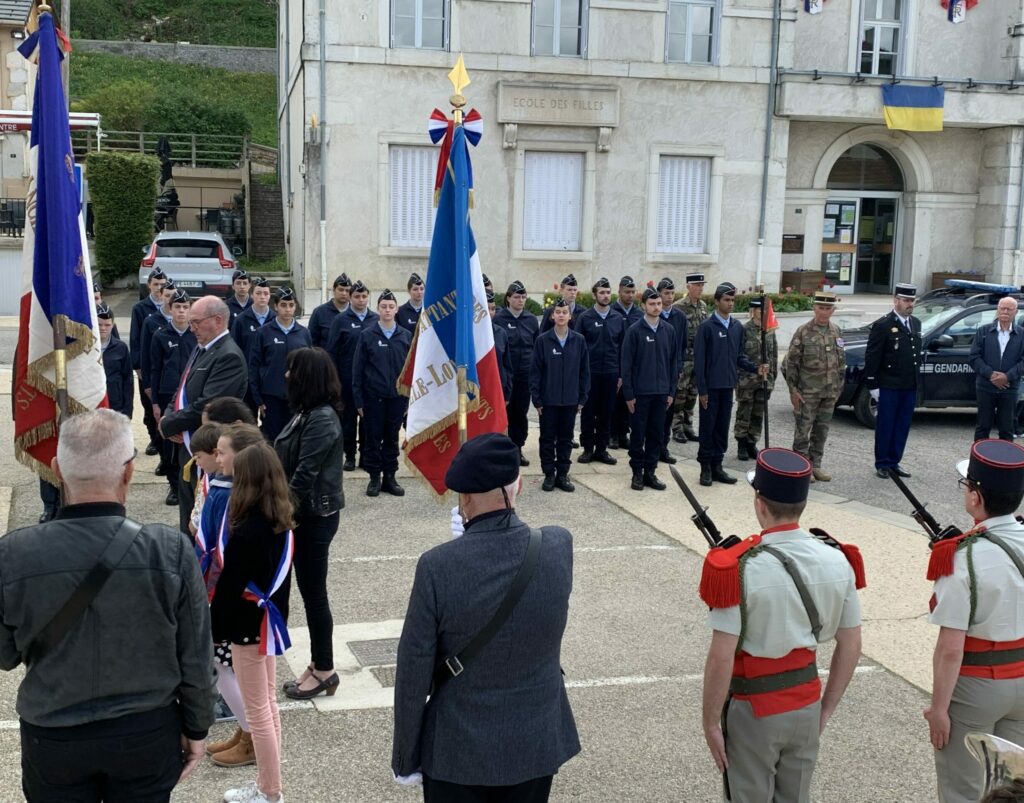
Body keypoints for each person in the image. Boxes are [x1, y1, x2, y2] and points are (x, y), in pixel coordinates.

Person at [0, 409, 216, 801]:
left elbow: (4, 654)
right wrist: (198, 727)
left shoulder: (12, 554)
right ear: (129, 471)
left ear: (56, 470)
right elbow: (196, 657)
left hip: (54, 733)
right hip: (145, 730)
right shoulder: (169, 550)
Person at [392, 433, 581, 801]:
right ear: (519, 487)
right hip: (535, 741)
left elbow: (413, 671)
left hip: (460, 750)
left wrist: (405, 757)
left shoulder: (437, 566)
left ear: (462, 498)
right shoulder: (559, 545)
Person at [700, 448, 864, 803]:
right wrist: (826, 708)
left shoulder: (741, 568)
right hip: (806, 699)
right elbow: (851, 644)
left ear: (760, 504)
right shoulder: (838, 558)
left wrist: (711, 721)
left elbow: (721, 656)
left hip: (754, 705)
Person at [925, 439, 1024, 803]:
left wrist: (938, 709)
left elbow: (950, 650)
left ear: (975, 497)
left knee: (963, 790)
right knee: (1013, 789)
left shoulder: (962, 557)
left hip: (977, 685)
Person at [211, 441, 294, 803]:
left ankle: (269, 790)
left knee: (257, 709)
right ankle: (268, 783)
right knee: (268, 704)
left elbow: (229, 588)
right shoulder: (282, 520)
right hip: (270, 622)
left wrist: (214, 632)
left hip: (248, 626)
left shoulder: (246, 530)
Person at [275, 347, 345, 700]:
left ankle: (325, 669)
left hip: (313, 517)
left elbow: (304, 475)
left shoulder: (321, 418)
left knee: (314, 595)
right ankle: (320, 664)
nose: (287, 376)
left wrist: (275, 512)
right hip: (301, 515)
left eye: (293, 370)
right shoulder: (306, 414)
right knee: (308, 593)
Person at [159, 295, 249, 533]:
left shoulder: (228, 355)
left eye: (197, 322)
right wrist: (168, 418)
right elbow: (181, 391)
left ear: (217, 320)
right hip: (189, 446)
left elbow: (206, 406)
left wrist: (168, 425)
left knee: (200, 521)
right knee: (187, 514)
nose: (192, 328)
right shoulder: (202, 349)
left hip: (210, 451)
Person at [693, 282, 765, 487]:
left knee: (722, 428)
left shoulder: (736, 328)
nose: (730, 303)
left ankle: (717, 465)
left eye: (732, 300)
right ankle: (705, 467)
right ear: (717, 302)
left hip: (727, 387)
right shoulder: (706, 328)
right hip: (711, 388)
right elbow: (700, 361)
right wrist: (703, 390)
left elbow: (739, 357)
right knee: (708, 427)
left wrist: (756, 368)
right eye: (726, 300)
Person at [352, 289, 411, 497]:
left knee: (392, 438)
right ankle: (374, 477)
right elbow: (357, 370)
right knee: (373, 439)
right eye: (384, 306)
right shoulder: (367, 335)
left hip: (397, 398)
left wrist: (407, 399)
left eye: (391, 306)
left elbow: (410, 370)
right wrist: (358, 399)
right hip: (373, 397)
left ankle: (390, 477)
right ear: (378, 309)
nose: (387, 310)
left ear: (396, 310)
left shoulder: (405, 335)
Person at [530, 297, 590, 493]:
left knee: (565, 439)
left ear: (570, 316)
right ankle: (549, 474)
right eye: (558, 312)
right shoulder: (543, 340)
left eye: (565, 312)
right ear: (552, 316)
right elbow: (536, 372)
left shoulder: (579, 340)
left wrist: (582, 397)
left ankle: (562, 474)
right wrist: (537, 398)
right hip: (548, 401)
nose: (561, 315)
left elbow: (584, 371)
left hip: (570, 400)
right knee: (547, 438)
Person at [620, 287, 678, 492]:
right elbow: (626, 365)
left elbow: (673, 364)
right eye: (652, 304)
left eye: (659, 304)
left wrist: (671, 392)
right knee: (638, 435)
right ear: (643, 305)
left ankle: (650, 472)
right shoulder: (634, 331)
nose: (656, 307)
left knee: (656, 434)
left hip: (661, 393)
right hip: (640, 395)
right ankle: (637, 472)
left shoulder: (668, 331)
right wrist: (629, 394)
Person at [784, 291, 845, 482]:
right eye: (821, 308)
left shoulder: (836, 331)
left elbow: (841, 362)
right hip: (807, 393)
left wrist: (838, 388)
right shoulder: (803, 332)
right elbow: (790, 364)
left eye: (828, 308)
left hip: (829, 392)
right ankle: (801, 467)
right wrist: (793, 391)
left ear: (833, 311)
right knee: (803, 432)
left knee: (822, 431)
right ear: (814, 308)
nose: (824, 312)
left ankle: (815, 465)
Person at [864, 283, 922, 479]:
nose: (909, 304)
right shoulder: (883, 325)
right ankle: (882, 462)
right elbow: (872, 357)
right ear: (896, 301)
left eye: (911, 301)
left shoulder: (915, 323)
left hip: (908, 385)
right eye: (905, 300)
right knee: (886, 425)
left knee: (902, 425)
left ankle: (894, 461)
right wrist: (873, 385)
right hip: (889, 385)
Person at [148, 288, 197, 506]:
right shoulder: (160, 335)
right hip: (168, 395)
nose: (181, 311)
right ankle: (174, 485)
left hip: (189, 395)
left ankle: (192, 482)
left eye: (185, 307)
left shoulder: (196, 336)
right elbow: (154, 369)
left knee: (189, 439)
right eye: (177, 307)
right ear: (170, 308)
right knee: (169, 443)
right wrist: (156, 403)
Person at [326, 280, 379, 472]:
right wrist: (334, 379)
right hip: (346, 380)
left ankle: (366, 455)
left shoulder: (375, 319)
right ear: (350, 297)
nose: (361, 300)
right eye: (356, 296)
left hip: (369, 381)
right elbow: (331, 351)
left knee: (368, 420)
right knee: (347, 420)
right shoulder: (341, 320)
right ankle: (349, 455)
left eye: (364, 296)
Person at [249, 286, 312, 441]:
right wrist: (258, 399)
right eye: (283, 305)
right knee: (273, 437)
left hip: (296, 396)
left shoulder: (304, 333)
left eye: (291, 305)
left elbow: (310, 365)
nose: (287, 309)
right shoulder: (263, 333)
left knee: (294, 437)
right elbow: (254, 366)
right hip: (271, 395)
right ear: (275, 306)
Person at [574, 277, 624, 466]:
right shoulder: (585, 318)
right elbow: (577, 348)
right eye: (601, 292)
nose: (605, 295)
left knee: (607, 412)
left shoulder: (617, 318)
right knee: (588, 411)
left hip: (611, 373)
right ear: (595, 295)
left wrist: (621, 375)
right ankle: (587, 448)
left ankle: (602, 449)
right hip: (590, 373)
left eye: (607, 292)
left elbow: (622, 348)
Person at [493, 280, 539, 467]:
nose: (520, 300)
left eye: (523, 297)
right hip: (504, 375)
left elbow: (536, 346)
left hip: (524, 375)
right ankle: (500, 450)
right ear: (508, 299)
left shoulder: (530, 319)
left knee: (520, 413)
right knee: (503, 412)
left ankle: (517, 448)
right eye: (517, 297)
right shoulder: (499, 319)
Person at [970, 297, 1024, 442]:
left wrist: (1007, 377)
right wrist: (991, 375)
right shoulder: (983, 331)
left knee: (1007, 429)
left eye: (1009, 309)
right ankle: (980, 464)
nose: (1005, 312)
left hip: (1009, 387)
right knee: (983, 427)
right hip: (985, 386)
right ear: (998, 309)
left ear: (1016, 312)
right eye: (1002, 308)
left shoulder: (1022, 334)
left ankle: (1006, 463)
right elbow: (974, 357)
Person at [140, 278, 179, 474]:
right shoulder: (152, 322)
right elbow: (148, 359)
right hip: (164, 388)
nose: (171, 300)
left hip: (182, 390)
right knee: (161, 425)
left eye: (174, 296)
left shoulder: (191, 328)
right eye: (168, 296)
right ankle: (165, 461)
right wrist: (147, 384)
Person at [733, 297, 778, 462]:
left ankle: (752, 442)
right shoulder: (744, 330)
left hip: (764, 380)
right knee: (744, 412)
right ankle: (742, 443)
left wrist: (772, 378)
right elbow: (739, 355)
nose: (762, 313)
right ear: (753, 311)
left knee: (758, 413)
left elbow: (773, 356)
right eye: (759, 310)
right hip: (747, 380)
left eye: (764, 310)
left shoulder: (770, 331)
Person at [131, 267, 168, 456]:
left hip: (166, 369)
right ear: (149, 285)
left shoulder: (172, 307)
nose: (159, 288)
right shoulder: (140, 308)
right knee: (149, 407)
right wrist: (137, 367)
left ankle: (165, 441)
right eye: (155, 284)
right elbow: (135, 340)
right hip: (147, 368)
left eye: (162, 284)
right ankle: (154, 439)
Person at [672, 272, 709, 444]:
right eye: (697, 285)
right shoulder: (678, 307)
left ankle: (688, 426)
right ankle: (677, 428)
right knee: (680, 393)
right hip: (684, 357)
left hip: (699, 358)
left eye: (702, 285)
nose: (700, 288)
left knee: (693, 394)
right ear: (688, 287)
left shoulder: (703, 306)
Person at [656, 277, 687, 465]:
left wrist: (679, 368)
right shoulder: (653, 315)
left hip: (671, 371)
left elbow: (682, 346)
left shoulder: (679, 317)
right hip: (653, 371)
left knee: (668, 411)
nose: (669, 297)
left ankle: (663, 448)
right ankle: (650, 445)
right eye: (665, 293)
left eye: (671, 293)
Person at [610, 275, 642, 449]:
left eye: (632, 292)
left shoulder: (639, 314)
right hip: (616, 364)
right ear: (619, 292)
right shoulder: (613, 312)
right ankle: (612, 434)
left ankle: (623, 434)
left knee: (628, 401)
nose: (630, 295)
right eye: (626, 292)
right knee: (614, 403)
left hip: (633, 365)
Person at [97, 303, 133, 418]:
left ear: (113, 325)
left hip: (115, 405)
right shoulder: (84, 348)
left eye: (107, 325)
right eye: (99, 324)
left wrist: (127, 411)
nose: (103, 328)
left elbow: (128, 379)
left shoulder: (120, 348)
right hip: (92, 401)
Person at [230, 276, 276, 366]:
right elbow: (234, 349)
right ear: (251, 295)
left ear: (270, 296)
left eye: (266, 293)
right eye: (258, 293)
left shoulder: (276, 320)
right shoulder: (240, 320)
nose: (262, 297)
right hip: (247, 372)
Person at [308, 273, 352, 348]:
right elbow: (311, 341)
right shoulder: (319, 312)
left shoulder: (354, 313)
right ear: (334, 290)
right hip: (325, 358)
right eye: (340, 290)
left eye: (347, 291)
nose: (344, 293)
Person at [487, 290, 514, 403]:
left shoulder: (500, 333)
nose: (490, 313)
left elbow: (507, 365)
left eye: (493, 309)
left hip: (498, 390)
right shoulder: (469, 334)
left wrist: (507, 393)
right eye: (487, 308)